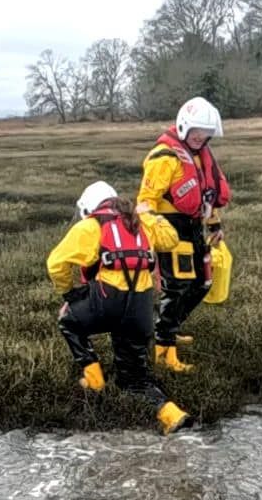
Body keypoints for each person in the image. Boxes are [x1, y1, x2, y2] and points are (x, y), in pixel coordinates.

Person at [47, 181, 195, 435]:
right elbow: (170, 239)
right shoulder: (142, 221)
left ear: (90, 208)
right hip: (140, 310)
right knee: (134, 381)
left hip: (105, 303)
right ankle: (172, 415)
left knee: (68, 321)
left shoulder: (90, 226)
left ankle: (94, 379)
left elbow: (55, 263)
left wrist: (70, 293)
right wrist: (148, 213)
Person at [137, 96, 232, 373]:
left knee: (202, 283)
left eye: (206, 134)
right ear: (184, 127)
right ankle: (164, 350)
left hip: (194, 228)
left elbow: (207, 195)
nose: (200, 137)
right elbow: (145, 201)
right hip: (170, 229)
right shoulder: (164, 158)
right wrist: (153, 236)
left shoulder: (201, 157)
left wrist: (214, 225)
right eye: (196, 132)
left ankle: (169, 326)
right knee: (175, 287)